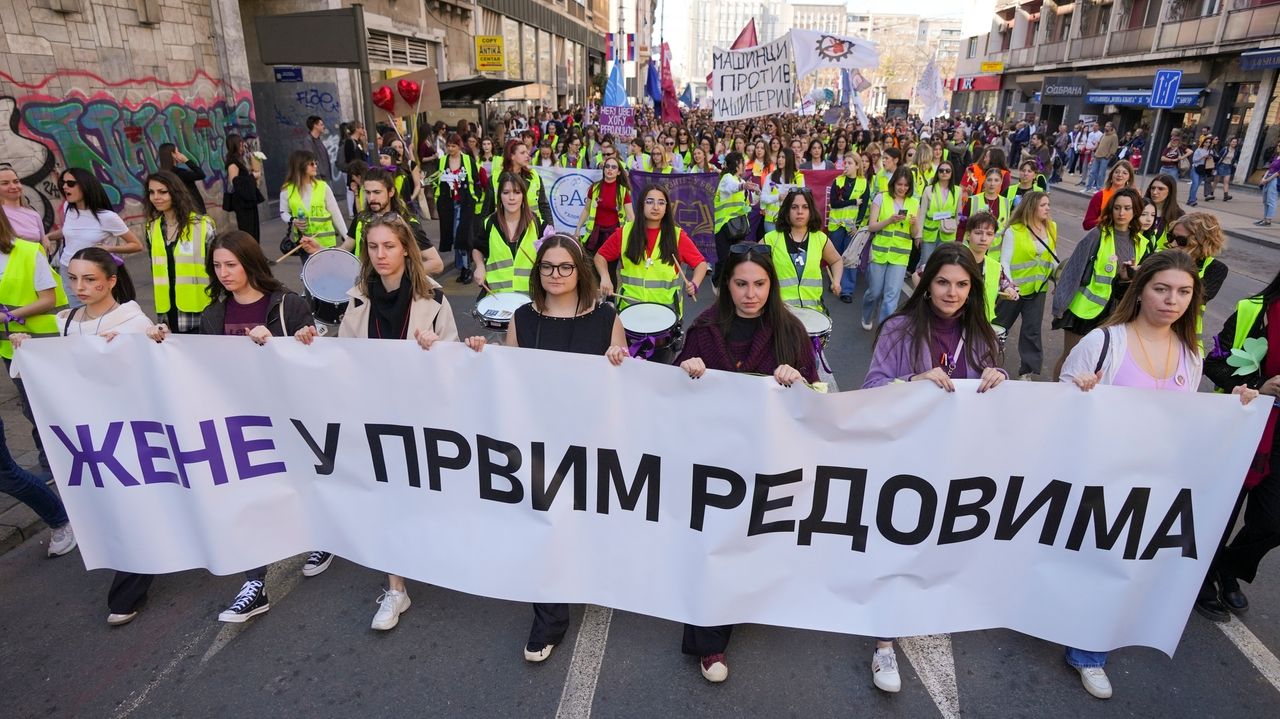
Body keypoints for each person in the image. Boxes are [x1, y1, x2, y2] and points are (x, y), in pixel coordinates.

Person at [1058, 250, 1252, 699]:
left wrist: (1238, 406)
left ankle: (1088, 646)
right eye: (1161, 289)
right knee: (1095, 564)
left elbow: (1188, 420)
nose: (1172, 300)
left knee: (1125, 565)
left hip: (1155, 482)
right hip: (1100, 478)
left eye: (1183, 292)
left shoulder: (1190, 354)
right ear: (1140, 290)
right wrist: (1078, 390)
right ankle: (1086, 649)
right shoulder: (1104, 342)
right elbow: (1059, 408)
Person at [462, 235, 627, 661]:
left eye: (565, 266)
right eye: (548, 267)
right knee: (545, 527)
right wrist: (482, 355)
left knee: (583, 522)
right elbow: (509, 377)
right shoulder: (523, 317)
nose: (556, 274)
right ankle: (550, 618)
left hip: (590, 440)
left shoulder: (606, 317)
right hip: (540, 442)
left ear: (580, 270)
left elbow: (624, 383)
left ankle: (588, 577)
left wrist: (619, 358)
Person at [294, 214, 459, 629]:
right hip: (375, 417)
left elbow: (456, 363)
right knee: (386, 499)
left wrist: (437, 349)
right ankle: (396, 589)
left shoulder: (435, 298)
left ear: (405, 249)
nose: (380, 254)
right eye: (373, 247)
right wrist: (312, 344)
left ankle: (432, 553)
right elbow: (344, 360)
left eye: (389, 246)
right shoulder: (356, 300)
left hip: (421, 416)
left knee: (419, 496)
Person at [144, 230, 313, 622]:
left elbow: (311, 359)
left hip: (287, 416)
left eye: (231, 264)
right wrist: (161, 343)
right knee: (244, 495)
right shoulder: (214, 314)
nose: (223, 272)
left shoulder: (287, 304)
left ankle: (320, 537)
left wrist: (280, 341)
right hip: (238, 420)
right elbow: (201, 365)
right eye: (217, 265)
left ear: (249, 263)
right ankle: (254, 582)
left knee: (299, 485)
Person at [674, 243, 818, 684]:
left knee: (749, 542)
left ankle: (741, 604)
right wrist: (685, 368)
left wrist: (799, 382)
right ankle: (709, 639)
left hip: (767, 460)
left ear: (771, 285)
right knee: (715, 544)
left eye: (759, 284)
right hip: (714, 458)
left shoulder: (791, 332)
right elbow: (671, 393)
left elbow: (816, 399)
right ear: (726, 285)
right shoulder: (703, 329)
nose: (750, 294)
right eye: (740, 284)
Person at [21, 248, 155, 624]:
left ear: (111, 281)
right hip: (88, 436)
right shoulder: (66, 322)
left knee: (132, 504)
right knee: (113, 505)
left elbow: (155, 369)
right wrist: (28, 348)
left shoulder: (133, 320)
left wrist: (147, 342)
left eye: (90, 279)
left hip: (129, 431)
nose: (79, 287)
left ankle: (128, 590)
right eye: (73, 278)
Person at [1198, 267, 1280, 622]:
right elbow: (1214, 363)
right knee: (1221, 513)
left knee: (1273, 523)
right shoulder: (1254, 310)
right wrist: (1261, 385)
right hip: (1243, 427)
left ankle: (1227, 566)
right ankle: (1201, 579)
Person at [1052, 188, 1146, 379]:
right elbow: (1074, 268)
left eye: (1127, 208)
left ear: (1135, 210)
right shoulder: (1098, 235)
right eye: (1117, 208)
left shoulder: (1140, 242)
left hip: (1114, 312)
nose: (1121, 213)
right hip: (1084, 311)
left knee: (1098, 363)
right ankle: (1056, 390)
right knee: (1071, 358)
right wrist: (1060, 304)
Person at [1, 207, 67, 474]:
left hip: (42, 343)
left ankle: (60, 460)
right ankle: (50, 459)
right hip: (10, 347)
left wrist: (8, 316)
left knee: (52, 403)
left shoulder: (28, 252)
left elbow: (49, 299)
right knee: (31, 407)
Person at [41, 168, 143, 309]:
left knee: (98, 313)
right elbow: (70, 231)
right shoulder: (68, 208)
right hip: (68, 270)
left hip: (93, 273)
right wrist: (48, 236)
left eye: (70, 183)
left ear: (85, 185)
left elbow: (136, 245)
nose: (64, 187)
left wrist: (108, 248)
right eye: (63, 183)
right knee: (77, 312)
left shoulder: (107, 217)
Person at [330, 167, 443, 275]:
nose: (371, 198)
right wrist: (323, 253)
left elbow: (436, 264)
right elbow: (345, 248)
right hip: (362, 285)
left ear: (391, 192)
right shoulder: (361, 218)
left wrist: (399, 274)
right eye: (368, 192)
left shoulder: (408, 223)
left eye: (377, 192)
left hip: (395, 288)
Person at [143, 171, 216, 334]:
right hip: (167, 311)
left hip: (200, 307)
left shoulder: (202, 225)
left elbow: (216, 267)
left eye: (163, 192)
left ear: (176, 192)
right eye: (151, 192)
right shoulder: (151, 227)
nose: (156, 197)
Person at [996, 192, 1057, 380]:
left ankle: (1027, 371)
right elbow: (1004, 262)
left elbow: (1053, 258)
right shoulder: (1014, 231)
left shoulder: (1051, 228)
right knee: (999, 327)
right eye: (1043, 205)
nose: (1047, 208)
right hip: (1013, 291)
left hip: (1038, 290)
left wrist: (1059, 279)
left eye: (1048, 204)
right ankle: (986, 359)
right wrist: (1009, 286)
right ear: (1031, 207)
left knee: (1032, 330)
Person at [761, 187, 842, 311]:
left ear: (811, 211)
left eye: (805, 207)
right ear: (787, 210)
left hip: (813, 312)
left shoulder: (820, 238)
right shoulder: (771, 239)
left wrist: (836, 281)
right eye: (794, 207)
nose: (800, 212)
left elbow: (836, 261)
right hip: (781, 313)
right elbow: (753, 267)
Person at [862, 167, 921, 329]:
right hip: (879, 252)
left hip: (900, 255)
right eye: (899, 184)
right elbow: (871, 226)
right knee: (874, 292)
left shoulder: (914, 203)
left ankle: (884, 329)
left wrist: (914, 224)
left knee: (891, 296)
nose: (902, 188)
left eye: (906, 185)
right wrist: (889, 220)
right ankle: (867, 315)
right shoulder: (880, 198)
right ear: (893, 183)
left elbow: (914, 233)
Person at [473, 173, 543, 295]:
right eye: (506, 193)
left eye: (517, 192)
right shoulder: (489, 223)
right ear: (499, 196)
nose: (511, 198)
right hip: (497, 297)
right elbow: (478, 249)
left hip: (531, 298)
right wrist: (479, 266)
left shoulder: (537, 224)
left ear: (523, 196)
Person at [279, 150, 348, 261]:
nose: (315, 166)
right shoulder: (287, 189)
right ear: (300, 166)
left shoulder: (323, 187)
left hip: (326, 243)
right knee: (309, 272)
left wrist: (347, 237)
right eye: (311, 164)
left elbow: (336, 214)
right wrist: (293, 220)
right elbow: (283, 212)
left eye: (316, 163)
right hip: (304, 244)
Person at [433, 133, 482, 283]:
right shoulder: (442, 161)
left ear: (459, 146)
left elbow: (477, 180)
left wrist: (475, 198)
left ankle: (466, 268)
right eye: (448, 146)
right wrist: (426, 185)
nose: (450, 149)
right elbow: (435, 179)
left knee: (461, 236)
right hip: (447, 205)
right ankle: (462, 267)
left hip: (465, 204)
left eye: (453, 146)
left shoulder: (468, 160)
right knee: (454, 237)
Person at [826, 152, 868, 304]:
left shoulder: (863, 183)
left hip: (851, 226)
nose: (847, 166)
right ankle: (834, 282)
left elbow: (863, 207)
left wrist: (857, 226)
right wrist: (853, 201)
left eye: (850, 163)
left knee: (850, 257)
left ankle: (847, 290)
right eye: (846, 163)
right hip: (836, 225)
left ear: (857, 166)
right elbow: (834, 203)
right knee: (835, 255)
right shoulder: (838, 181)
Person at [712, 152, 758, 285]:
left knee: (736, 259)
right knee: (724, 259)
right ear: (737, 164)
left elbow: (750, 203)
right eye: (742, 162)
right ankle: (717, 283)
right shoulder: (727, 178)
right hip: (724, 227)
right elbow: (731, 187)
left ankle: (730, 286)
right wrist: (744, 186)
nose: (744, 166)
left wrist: (756, 192)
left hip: (737, 227)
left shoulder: (741, 181)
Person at [576, 158, 632, 257]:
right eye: (607, 166)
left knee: (609, 265)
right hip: (595, 235)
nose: (610, 169)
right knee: (591, 264)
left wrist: (633, 236)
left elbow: (630, 216)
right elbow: (586, 210)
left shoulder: (623, 191)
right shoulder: (594, 188)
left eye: (613, 167)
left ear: (618, 172)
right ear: (604, 169)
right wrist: (578, 229)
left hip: (613, 235)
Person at [919, 160, 961, 272]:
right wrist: (918, 234)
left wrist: (954, 225)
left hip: (948, 232)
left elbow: (959, 212)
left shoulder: (958, 191)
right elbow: (922, 213)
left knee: (944, 265)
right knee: (926, 264)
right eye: (941, 170)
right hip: (929, 232)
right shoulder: (928, 189)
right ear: (937, 173)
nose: (944, 173)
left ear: (952, 173)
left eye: (947, 171)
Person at [496, 139, 552, 223]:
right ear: (511, 156)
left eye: (527, 152)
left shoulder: (534, 176)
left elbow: (544, 206)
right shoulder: (496, 178)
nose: (527, 156)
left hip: (532, 226)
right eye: (522, 153)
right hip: (505, 226)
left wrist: (550, 227)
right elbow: (488, 210)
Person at [223, 133, 263, 241]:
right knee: (248, 230)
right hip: (242, 203)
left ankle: (254, 248)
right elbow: (235, 182)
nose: (242, 147)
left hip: (248, 200)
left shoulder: (239, 161)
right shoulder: (233, 163)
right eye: (240, 145)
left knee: (253, 229)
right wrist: (252, 176)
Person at [1082, 161, 1136, 231]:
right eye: (1117, 172)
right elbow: (1087, 225)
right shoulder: (1100, 196)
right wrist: (1103, 220)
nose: (1120, 175)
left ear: (1129, 178)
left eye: (1124, 173)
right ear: (1111, 175)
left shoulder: (1133, 198)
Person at [760, 148, 803, 234]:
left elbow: (802, 198)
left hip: (791, 220)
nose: (780, 159)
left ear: (789, 159)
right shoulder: (771, 176)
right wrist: (778, 197)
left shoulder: (798, 177)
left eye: (783, 157)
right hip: (771, 221)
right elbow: (763, 197)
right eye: (779, 157)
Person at [158, 143, 207, 213]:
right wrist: (186, 160)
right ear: (172, 154)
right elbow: (201, 175)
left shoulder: (161, 175)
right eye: (177, 152)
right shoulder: (180, 173)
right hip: (193, 209)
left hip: (178, 211)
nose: (180, 154)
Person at [1141, 173, 1184, 247]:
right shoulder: (1139, 207)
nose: (1155, 192)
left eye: (1161, 189)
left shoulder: (1178, 215)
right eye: (1153, 188)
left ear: (1170, 191)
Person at [300, 115, 333, 183]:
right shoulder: (308, 141)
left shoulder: (318, 139)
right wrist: (317, 176)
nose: (323, 127)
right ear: (315, 126)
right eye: (321, 125)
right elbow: (310, 160)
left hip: (325, 177)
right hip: (318, 178)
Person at [1188, 136, 1214, 206]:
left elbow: (1212, 161)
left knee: (1197, 185)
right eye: (1206, 142)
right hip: (1196, 168)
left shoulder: (1210, 151)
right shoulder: (1198, 150)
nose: (1207, 143)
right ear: (1203, 142)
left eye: (1209, 142)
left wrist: (1210, 158)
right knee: (1195, 184)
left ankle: (1190, 200)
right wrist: (1202, 157)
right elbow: (1194, 160)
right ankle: (1192, 200)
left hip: (1204, 170)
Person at [1258, 146, 1280, 227]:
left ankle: (1268, 220)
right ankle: (1264, 218)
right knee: (1265, 200)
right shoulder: (1276, 157)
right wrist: (1263, 178)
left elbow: (1278, 172)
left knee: (1271, 200)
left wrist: (1268, 179)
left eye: (1279, 146)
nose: (1278, 147)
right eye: (1278, 145)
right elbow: (1269, 169)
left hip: (1275, 180)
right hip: (1268, 178)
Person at [1215, 136, 1240, 201]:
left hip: (1228, 166)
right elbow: (1219, 157)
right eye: (1233, 142)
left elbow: (1234, 159)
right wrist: (1215, 167)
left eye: (1235, 142)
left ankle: (1225, 196)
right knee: (1216, 180)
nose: (1234, 143)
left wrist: (1235, 164)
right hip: (1221, 165)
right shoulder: (1225, 149)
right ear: (1230, 142)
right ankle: (1211, 193)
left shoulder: (1236, 150)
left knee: (1226, 181)